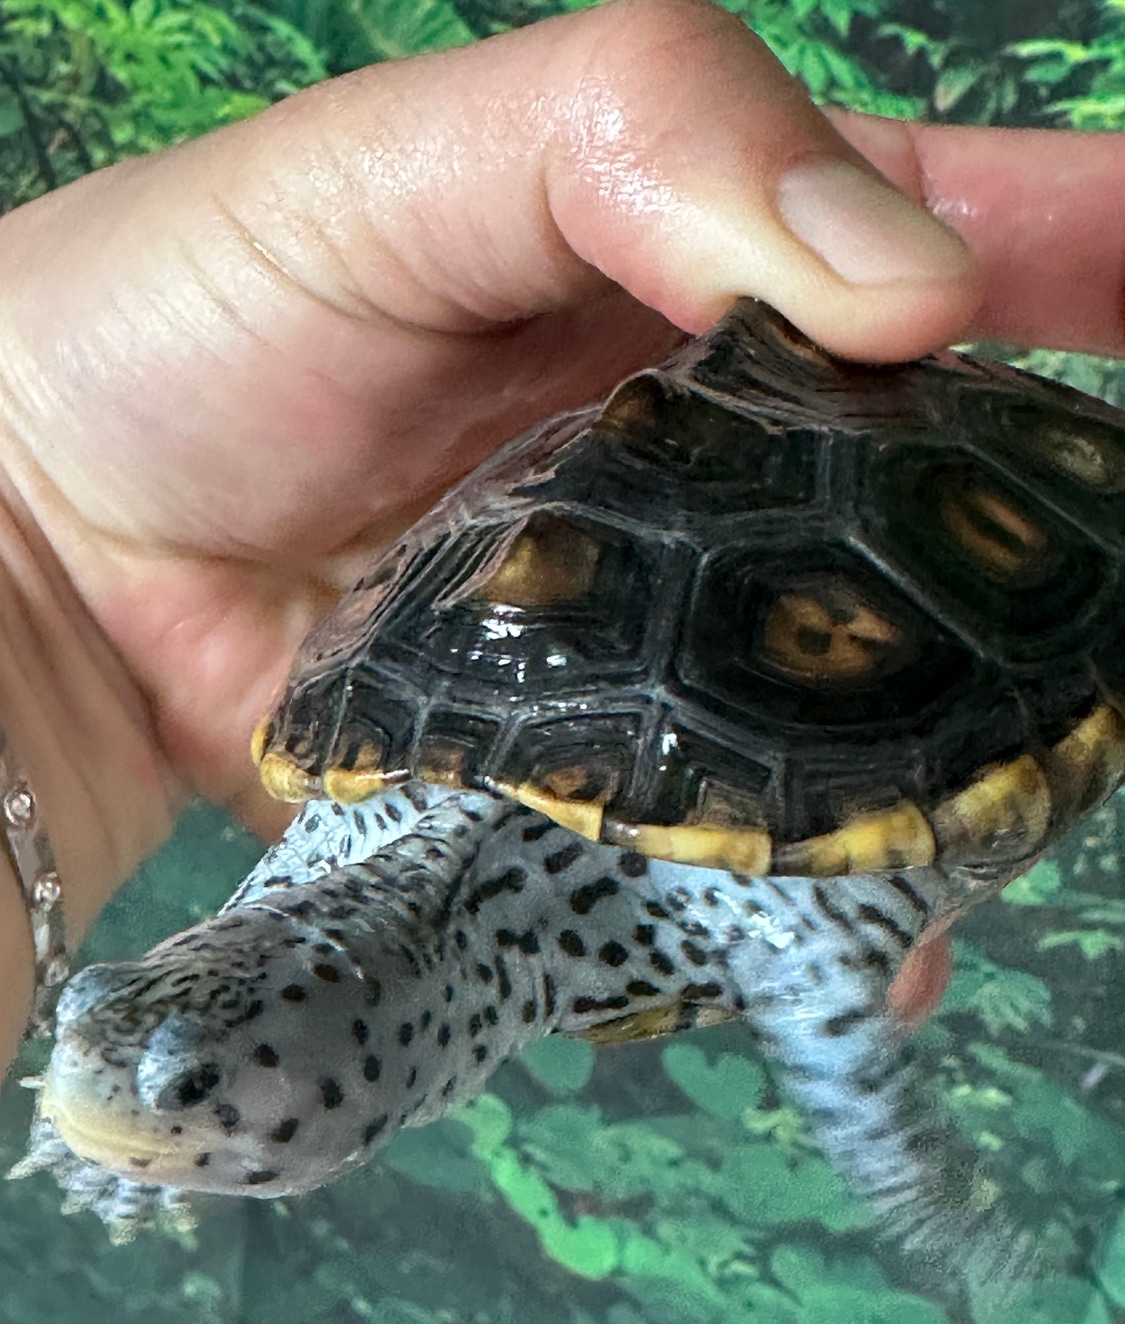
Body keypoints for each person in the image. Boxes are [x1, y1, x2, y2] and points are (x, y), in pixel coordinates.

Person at [0, 0, 1121, 1073]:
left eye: (191, 1084)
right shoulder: (344, 839)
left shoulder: (410, 833)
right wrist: (36, 527)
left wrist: (41, 520)